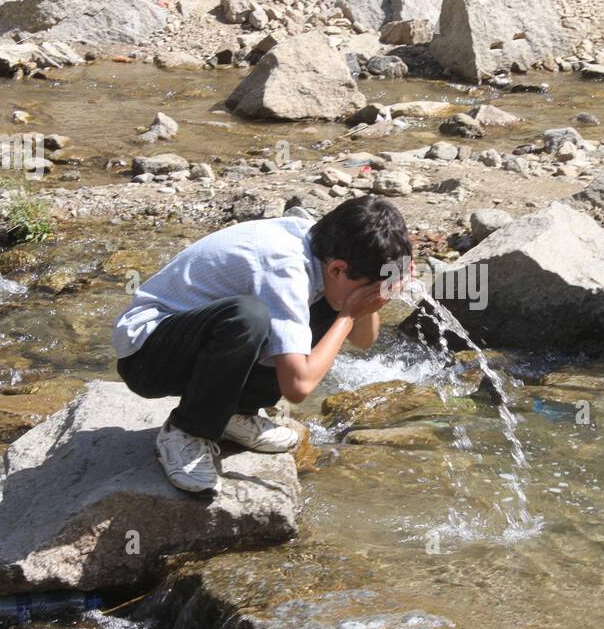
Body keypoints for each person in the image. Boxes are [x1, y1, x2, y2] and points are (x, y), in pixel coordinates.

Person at [112, 195, 411, 493]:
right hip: (148, 353)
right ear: (337, 269)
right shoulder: (284, 266)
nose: (373, 295)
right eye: (369, 288)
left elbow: (363, 340)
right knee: (248, 317)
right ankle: (186, 431)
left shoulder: (325, 251)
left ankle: (232, 413)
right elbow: (298, 387)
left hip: (199, 344)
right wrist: (348, 313)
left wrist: (368, 304)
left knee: (324, 311)